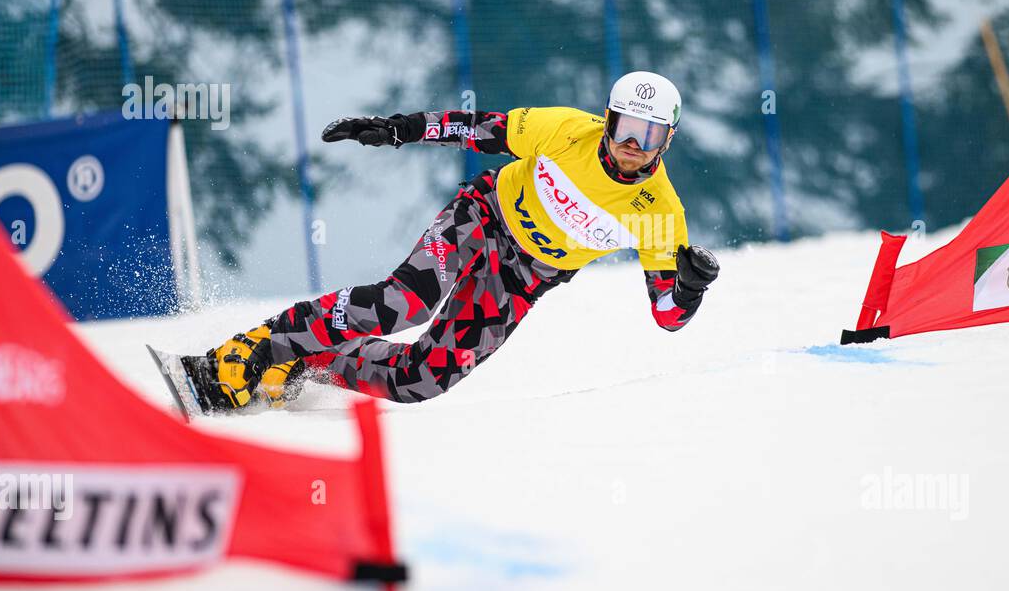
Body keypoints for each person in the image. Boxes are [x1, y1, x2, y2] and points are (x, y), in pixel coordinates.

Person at [181, 71, 720, 413]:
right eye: (625, 127)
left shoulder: (659, 214)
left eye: (648, 136)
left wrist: (689, 290)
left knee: (422, 380)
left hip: (522, 277)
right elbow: (476, 128)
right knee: (401, 304)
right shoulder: (565, 131)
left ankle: (308, 359)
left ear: (667, 140)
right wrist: (400, 129)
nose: (632, 146)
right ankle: (251, 349)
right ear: (606, 119)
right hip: (482, 217)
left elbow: (667, 315)